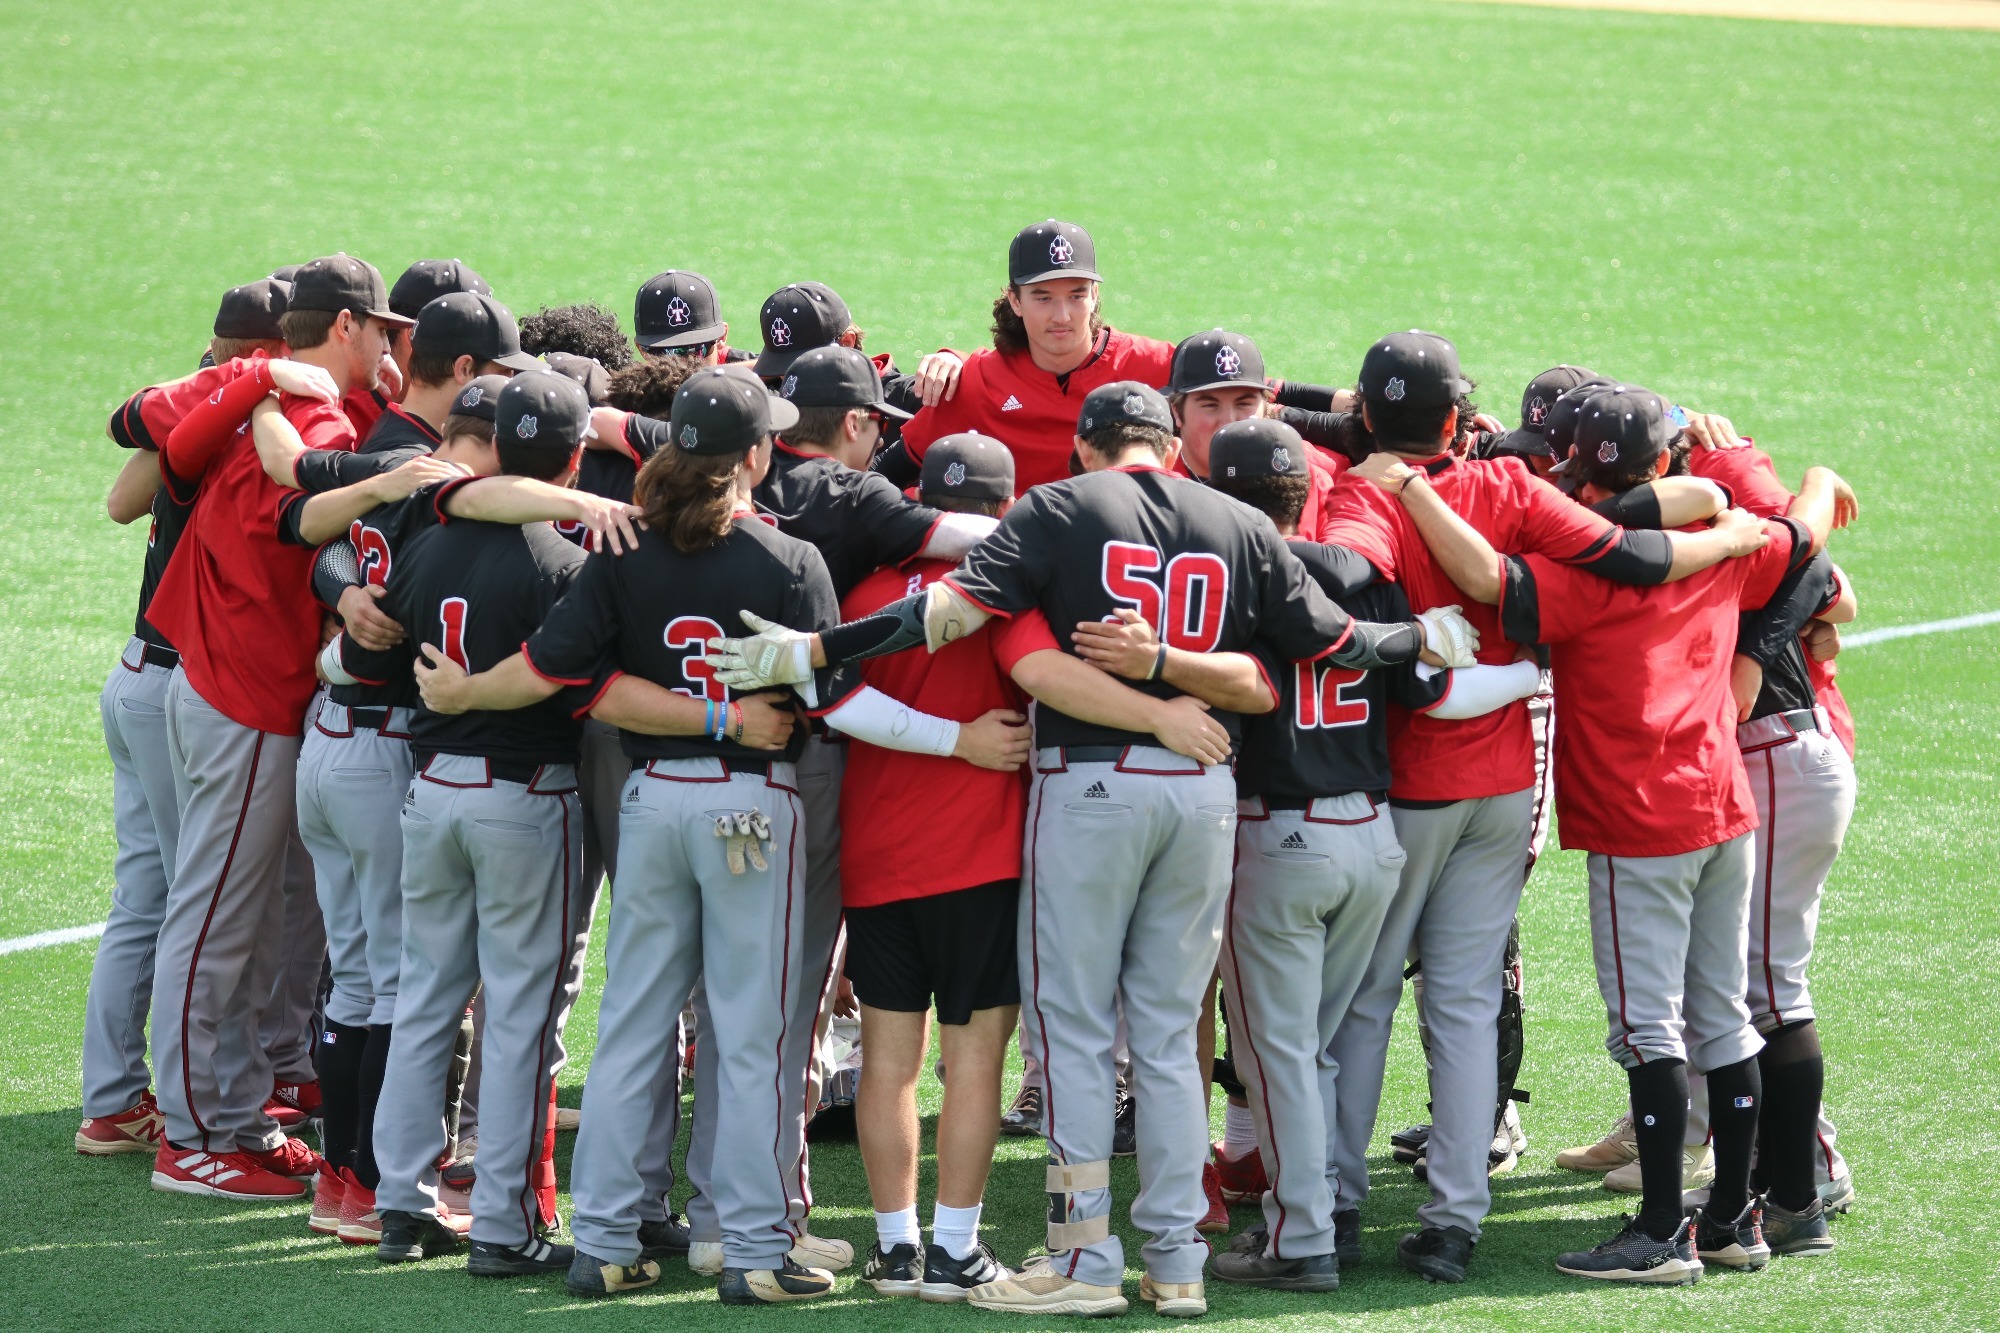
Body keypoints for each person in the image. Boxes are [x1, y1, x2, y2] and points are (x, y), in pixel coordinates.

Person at [707, 381, 1477, 1317]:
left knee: (1073, 1030)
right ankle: (1178, 1258)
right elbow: (1337, 641)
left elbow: (942, 615)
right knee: (1165, 1035)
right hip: (1203, 792)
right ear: (1169, 446)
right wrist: (1419, 638)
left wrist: (814, 654)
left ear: (1083, 446)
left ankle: (1083, 1260)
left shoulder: (1059, 506)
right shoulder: (1237, 520)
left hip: (1092, 786)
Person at [1370, 383, 1851, 1282]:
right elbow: (1808, 539)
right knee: (1723, 1016)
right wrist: (1817, 476)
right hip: (1724, 807)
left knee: (1649, 1028)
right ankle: (1734, 1220)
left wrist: (1410, 489)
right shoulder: (1727, 551)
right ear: (1664, 464)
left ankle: (1664, 1229)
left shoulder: (1586, 577)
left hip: (1642, 821)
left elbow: (1482, 579)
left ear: (1579, 480)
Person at [1314, 333, 1764, 1284]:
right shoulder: (1513, 489)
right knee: (1467, 1004)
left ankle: (1335, 1207)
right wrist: (1721, 538)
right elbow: (1630, 546)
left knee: (1361, 1003)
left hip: (1402, 789)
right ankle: (1453, 1221)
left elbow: (1349, 578)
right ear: (1457, 418)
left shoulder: (1369, 491)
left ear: (1369, 416)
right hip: (1505, 783)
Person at [410, 365, 854, 1304]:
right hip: (750, 809)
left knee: (635, 1022)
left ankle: (605, 1239)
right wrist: (735, 718)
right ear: (756, 457)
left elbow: (573, 678)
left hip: (653, 802)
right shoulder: (789, 562)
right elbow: (827, 696)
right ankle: (756, 1247)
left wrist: (466, 691)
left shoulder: (620, 552)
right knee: (750, 1030)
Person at [1083, 419, 1540, 1291]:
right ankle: (1330, 1212)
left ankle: (1307, 1235)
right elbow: (1433, 688)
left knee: (1281, 1053)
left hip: (1280, 841)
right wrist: (1533, 672)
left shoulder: (1231, 585)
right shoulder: (1365, 576)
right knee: (1317, 1044)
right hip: (1370, 834)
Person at [143, 255, 458, 1202]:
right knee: (217, 921)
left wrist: (253, 382)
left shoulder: (276, 406)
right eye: (386, 328)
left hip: (232, 686)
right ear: (353, 327)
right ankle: (193, 1135)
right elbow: (294, 509)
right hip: (242, 694)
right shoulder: (302, 415)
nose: (395, 343)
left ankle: (232, 1113)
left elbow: (149, 431)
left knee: (246, 921)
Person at [317, 371, 625, 1277]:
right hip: (527, 798)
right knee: (521, 1014)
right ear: (571, 457)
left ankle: (401, 1203)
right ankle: (503, 1221)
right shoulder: (567, 563)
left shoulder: (428, 545)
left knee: (423, 1001)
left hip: (432, 790)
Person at [77, 279, 296, 1160]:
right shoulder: (247, 419)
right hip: (191, 689)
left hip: (137, 678)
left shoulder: (192, 405)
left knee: (149, 896)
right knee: (199, 909)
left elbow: (122, 502)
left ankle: (112, 1099)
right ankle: (202, 1108)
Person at [879, 221, 1176, 493]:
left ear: (1094, 295)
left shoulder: (1158, 365)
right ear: (1015, 301)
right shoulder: (976, 381)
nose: (1062, 316)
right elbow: (889, 469)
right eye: (1043, 297)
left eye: (1077, 295)